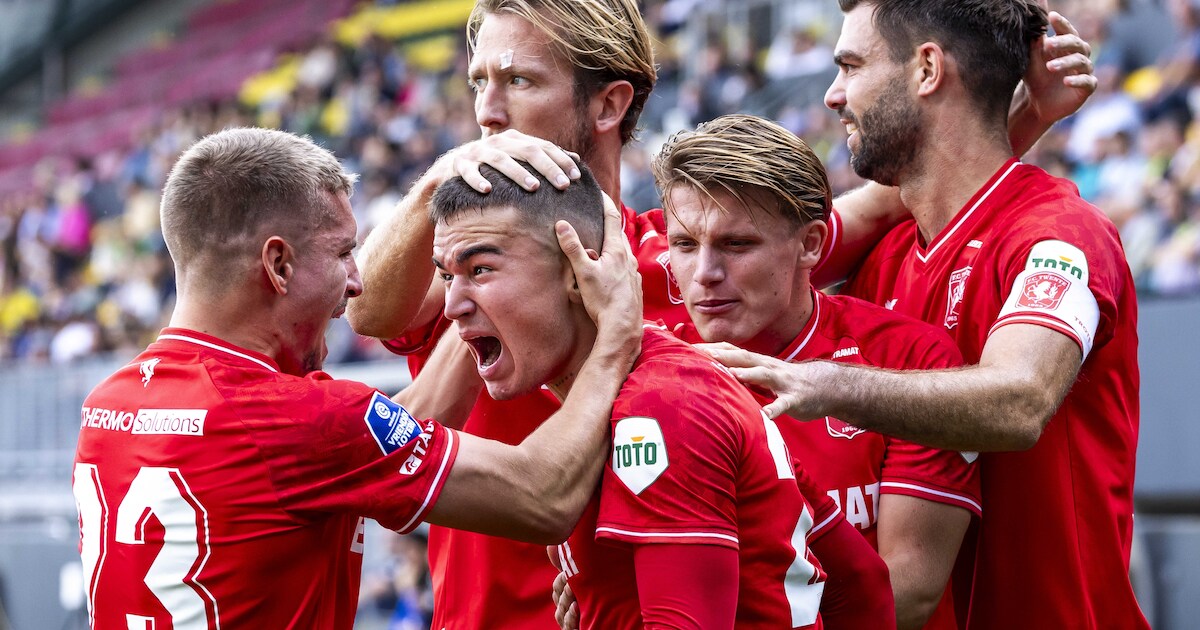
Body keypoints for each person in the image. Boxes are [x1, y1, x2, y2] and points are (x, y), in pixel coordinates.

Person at [347, 0, 1100, 626]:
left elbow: (863, 208)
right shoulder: (470, 275)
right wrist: (439, 182)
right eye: (478, 81)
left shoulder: (679, 266)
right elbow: (373, 320)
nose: (487, 111)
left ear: (609, 103)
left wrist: (1015, 114)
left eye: (516, 80)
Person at [71, 127, 644, 629]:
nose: (356, 282)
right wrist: (617, 334)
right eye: (344, 252)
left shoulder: (109, 406)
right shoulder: (300, 420)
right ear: (278, 265)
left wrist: (486, 306)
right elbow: (542, 495)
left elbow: (376, 439)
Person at [704, 2, 1149, 628]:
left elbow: (1020, 400)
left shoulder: (1062, 236)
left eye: (852, 66)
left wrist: (827, 387)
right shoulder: (885, 256)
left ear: (928, 69)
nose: (832, 95)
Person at [430, 160, 893, 629]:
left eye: (481, 268)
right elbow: (861, 582)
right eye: (447, 276)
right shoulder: (670, 380)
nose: (452, 305)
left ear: (577, 270)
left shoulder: (662, 406)